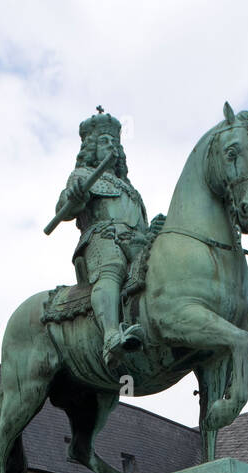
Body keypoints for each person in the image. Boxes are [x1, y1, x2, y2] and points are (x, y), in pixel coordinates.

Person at [54, 109, 149, 370]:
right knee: (113, 269)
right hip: (102, 239)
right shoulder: (82, 177)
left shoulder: (131, 190)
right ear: (92, 149)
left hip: (136, 242)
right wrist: (74, 197)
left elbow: (142, 224)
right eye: (106, 142)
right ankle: (110, 336)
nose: (113, 147)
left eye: (116, 142)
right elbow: (64, 207)